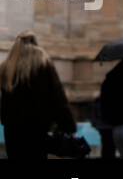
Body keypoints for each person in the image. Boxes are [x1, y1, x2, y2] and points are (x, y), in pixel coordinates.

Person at [0, 31, 77, 160]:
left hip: (12, 131)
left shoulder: (6, 67)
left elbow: (4, 103)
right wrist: (68, 124)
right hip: (37, 129)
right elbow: (57, 96)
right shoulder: (42, 61)